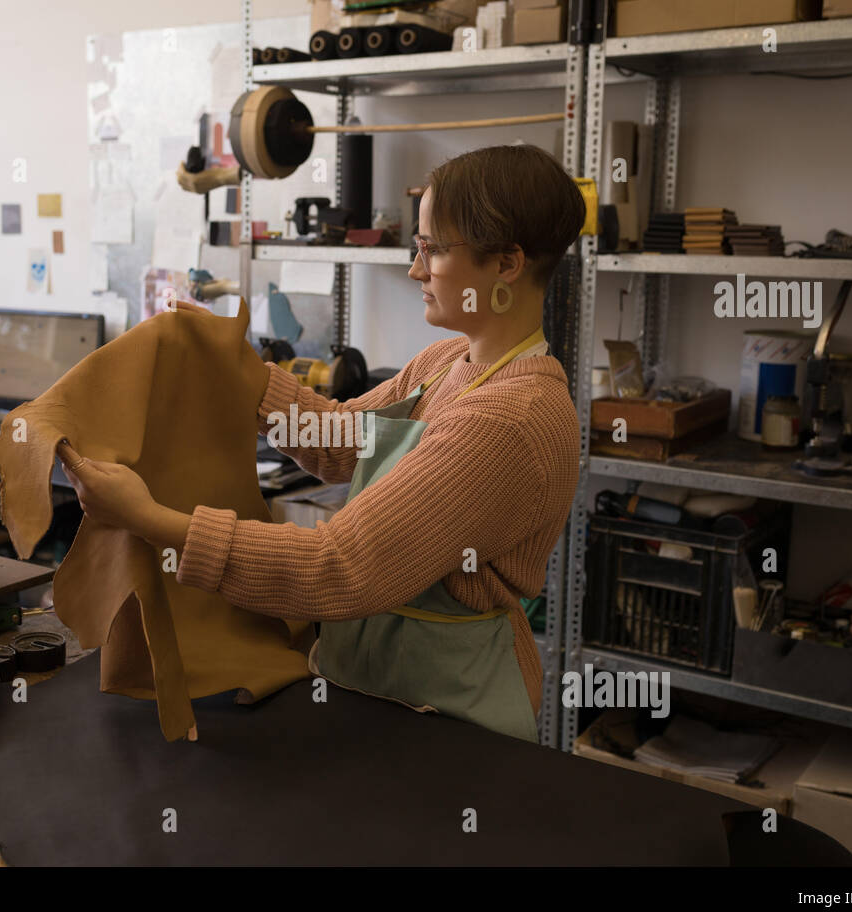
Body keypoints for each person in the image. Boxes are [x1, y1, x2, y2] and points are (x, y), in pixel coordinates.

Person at [58, 143, 584, 743]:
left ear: (508, 264)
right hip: (375, 685)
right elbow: (337, 441)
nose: (416, 269)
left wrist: (149, 518)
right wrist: (237, 371)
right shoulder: (448, 361)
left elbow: (341, 568)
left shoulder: (508, 421)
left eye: (434, 250)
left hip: (447, 720)